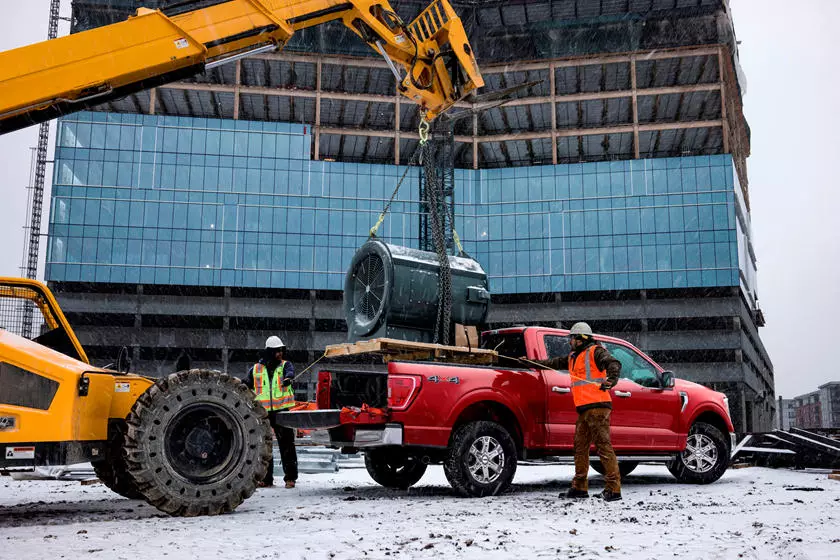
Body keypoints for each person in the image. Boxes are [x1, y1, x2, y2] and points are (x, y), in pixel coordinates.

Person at [531, 322, 623, 501]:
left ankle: (613, 489)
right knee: (580, 448)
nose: (569, 341)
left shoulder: (596, 351)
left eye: (572, 338)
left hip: (598, 407)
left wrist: (611, 380)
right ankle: (580, 487)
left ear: (581, 339)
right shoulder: (574, 356)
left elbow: (614, 363)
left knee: (603, 448)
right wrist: (531, 363)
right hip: (584, 410)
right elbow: (552, 363)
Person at [242, 336, 298, 488]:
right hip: (263, 413)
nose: (280, 353)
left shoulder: (286, 365)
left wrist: (288, 379)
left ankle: (290, 478)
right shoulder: (256, 369)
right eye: (277, 351)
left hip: (282, 411)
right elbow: (245, 385)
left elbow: (290, 373)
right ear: (269, 352)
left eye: (281, 350)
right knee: (265, 446)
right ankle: (266, 479)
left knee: (287, 444)